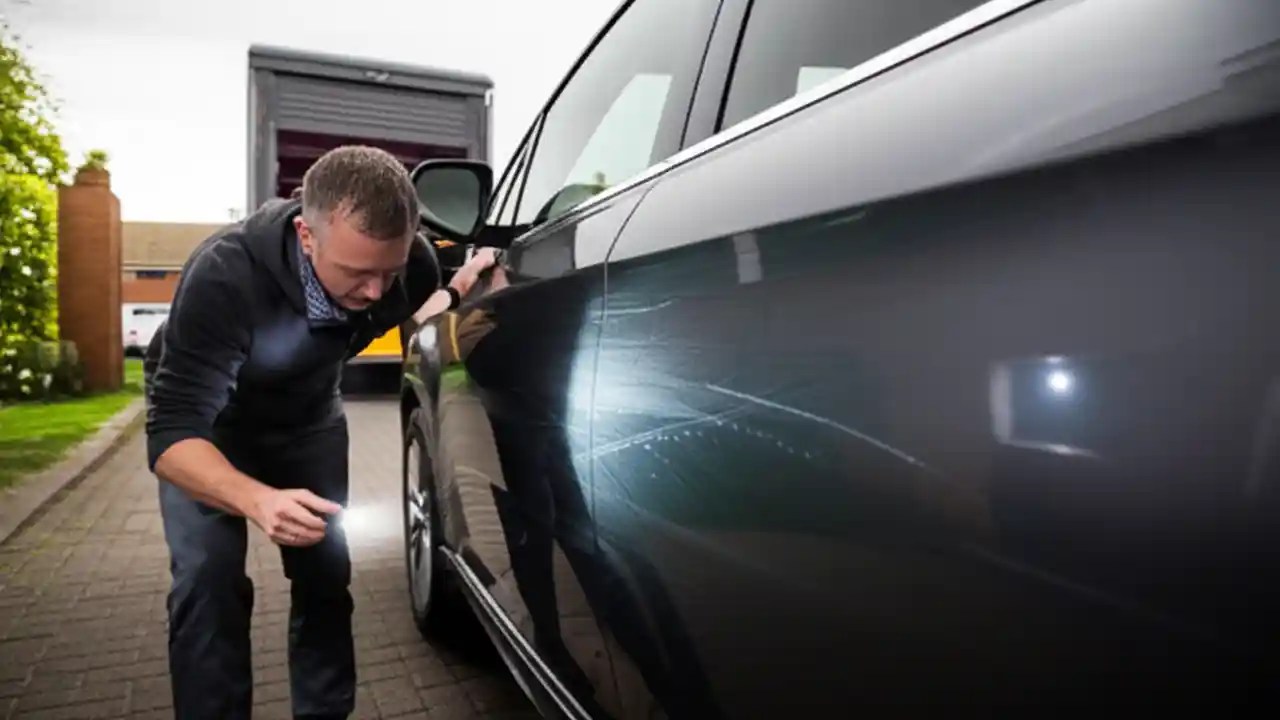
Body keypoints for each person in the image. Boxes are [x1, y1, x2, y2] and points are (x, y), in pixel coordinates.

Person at [143, 145, 496, 720]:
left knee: (326, 580)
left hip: (308, 421)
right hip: (208, 430)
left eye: (391, 271)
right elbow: (172, 433)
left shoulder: (415, 269)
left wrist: (459, 288)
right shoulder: (225, 277)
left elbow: (406, 316)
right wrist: (258, 500)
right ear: (307, 235)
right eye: (357, 274)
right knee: (207, 585)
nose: (377, 292)